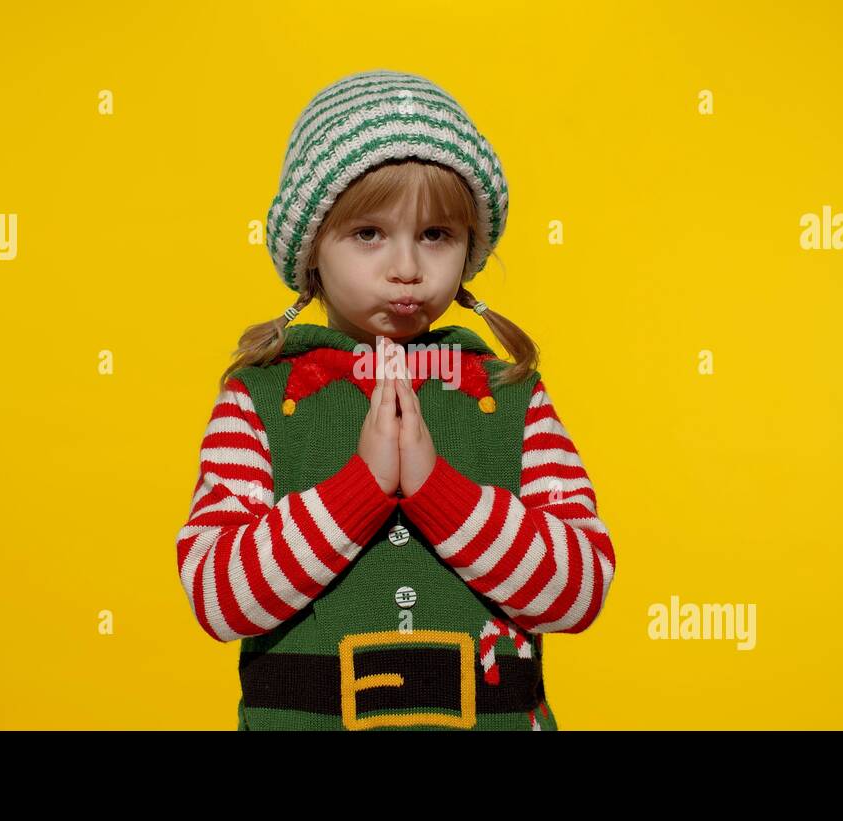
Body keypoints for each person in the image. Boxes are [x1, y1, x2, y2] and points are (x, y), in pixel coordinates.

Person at [175, 69, 616, 730]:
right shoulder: (260, 399)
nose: (406, 268)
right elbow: (218, 596)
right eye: (368, 234)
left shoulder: (509, 396)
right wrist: (361, 489)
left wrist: (439, 491)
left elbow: (580, 590)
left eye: (436, 234)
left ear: (469, 247)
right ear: (311, 250)